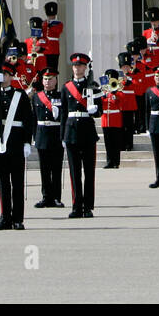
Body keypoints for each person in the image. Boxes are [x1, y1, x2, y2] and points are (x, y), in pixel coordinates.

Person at [0, 63, 36, 231]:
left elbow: (28, 120)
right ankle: (4, 217)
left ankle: (17, 219)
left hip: (15, 142)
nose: (3, 77)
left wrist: (26, 142)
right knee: (3, 184)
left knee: (17, 183)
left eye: (6, 74)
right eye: (1, 74)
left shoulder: (19, 95)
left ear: (12, 76)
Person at [59, 53, 100, 218]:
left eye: (81, 66)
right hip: (71, 131)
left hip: (88, 131)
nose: (78, 68)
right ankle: (76, 205)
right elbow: (63, 114)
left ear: (85, 68)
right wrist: (62, 136)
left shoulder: (93, 86)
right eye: (75, 66)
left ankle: (88, 206)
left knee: (89, 172)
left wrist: (95, 110)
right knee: (74, 172)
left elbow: (100, 110)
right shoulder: (66, 87)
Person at [31, 70, 65, 208]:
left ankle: (56, 197)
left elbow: (64, 117)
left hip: (56, 134)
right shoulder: (37, 97)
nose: (47, 82)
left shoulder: (61, 96)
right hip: (42, 134)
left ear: (56, 81)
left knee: (56, 168)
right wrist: (34, 137)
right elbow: (33, 119)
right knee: (44, 169)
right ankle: (46, 196)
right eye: (45, 79)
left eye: (50, 79)